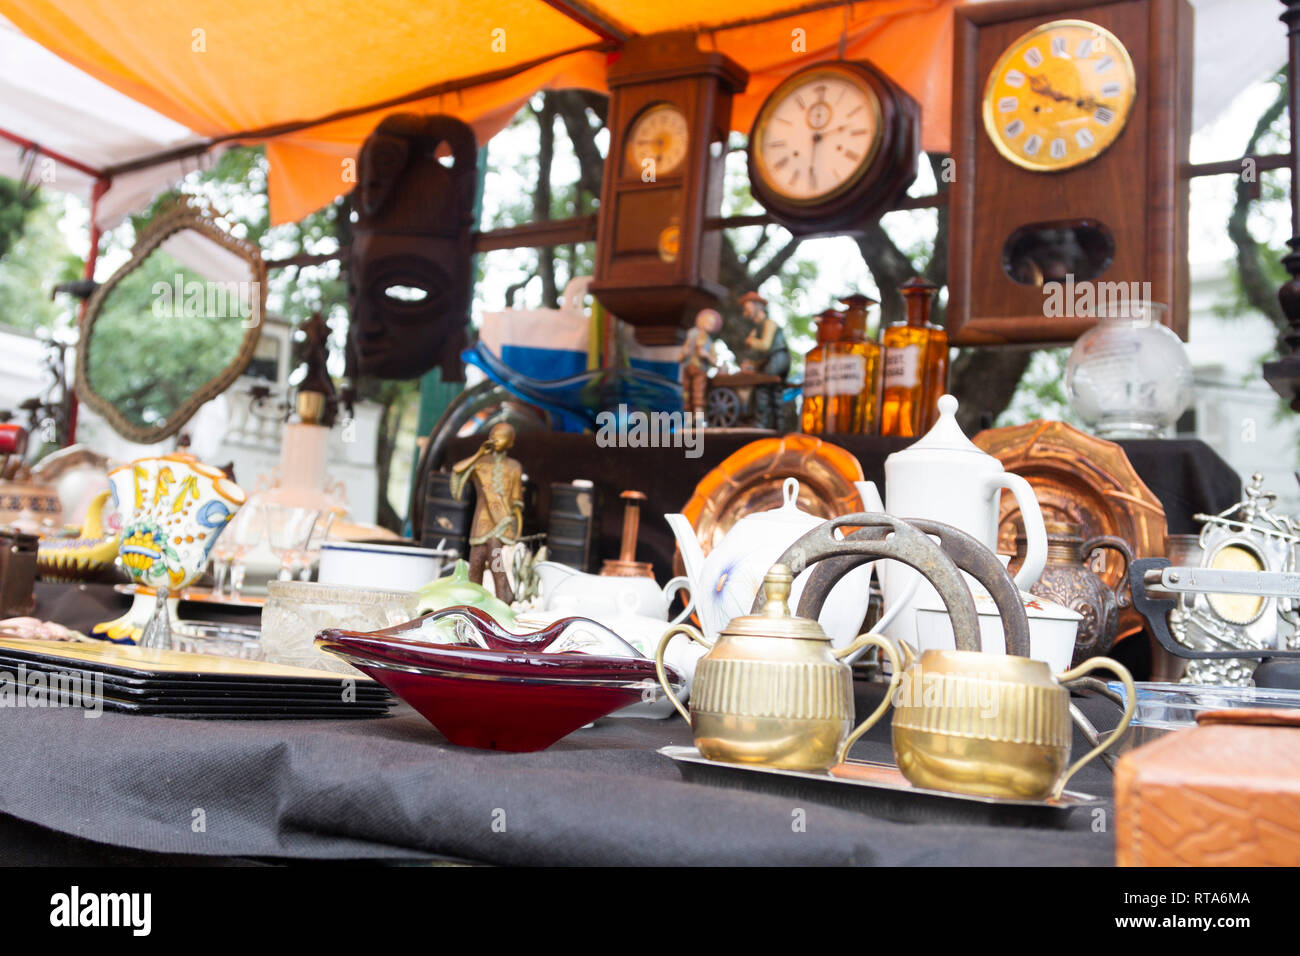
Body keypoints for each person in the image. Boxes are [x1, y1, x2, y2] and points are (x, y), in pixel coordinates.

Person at [449, 422, 524, 602]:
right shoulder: (480, 463)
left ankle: (502, 594)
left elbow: (517, 501)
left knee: (494, 553)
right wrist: (479, 453)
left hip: (501, 521)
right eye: (494, 434)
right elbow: (457, 470)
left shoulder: (514, 466)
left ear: (510, 442)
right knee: (476, 562)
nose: (497, 438)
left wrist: (517, 526)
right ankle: (479, 599)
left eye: (502, 435)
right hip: (481, 521)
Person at [739, 292, 790, 429]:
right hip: (772, 358)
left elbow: (765, 345)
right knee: (774, 390)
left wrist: (752, 341)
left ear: (758, 307)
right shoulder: (757, 329)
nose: (746, 310)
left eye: (748, 306)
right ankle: (778, 425)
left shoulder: (769, 324)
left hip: (779, 357)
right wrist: (751, 362)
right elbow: (755, 352)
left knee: (762, 384)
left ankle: (761, 422)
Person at [678, 308, 723, 425]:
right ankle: (688, 417)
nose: (709, 325)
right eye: (707, 321)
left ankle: (698, 415)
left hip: (700, 370)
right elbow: (685, 350)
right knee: (686, 392)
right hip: (688, 368)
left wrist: (707, 355)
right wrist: (684, 353)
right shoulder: (692, 335)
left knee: (698, 391)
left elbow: (715, 361)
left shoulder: (710, 343)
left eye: (712, 324)